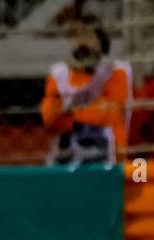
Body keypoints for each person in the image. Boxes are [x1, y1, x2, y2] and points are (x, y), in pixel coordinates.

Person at [41, 18, 131, 166]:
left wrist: (70, 113)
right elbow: (50, 119)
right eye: (76, 36)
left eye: (88, 37)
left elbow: (112, 115)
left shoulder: (115, 72)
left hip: (107, 154)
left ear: (101, 42)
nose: (82, 42)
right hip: (65, 155)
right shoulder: (59, 74)